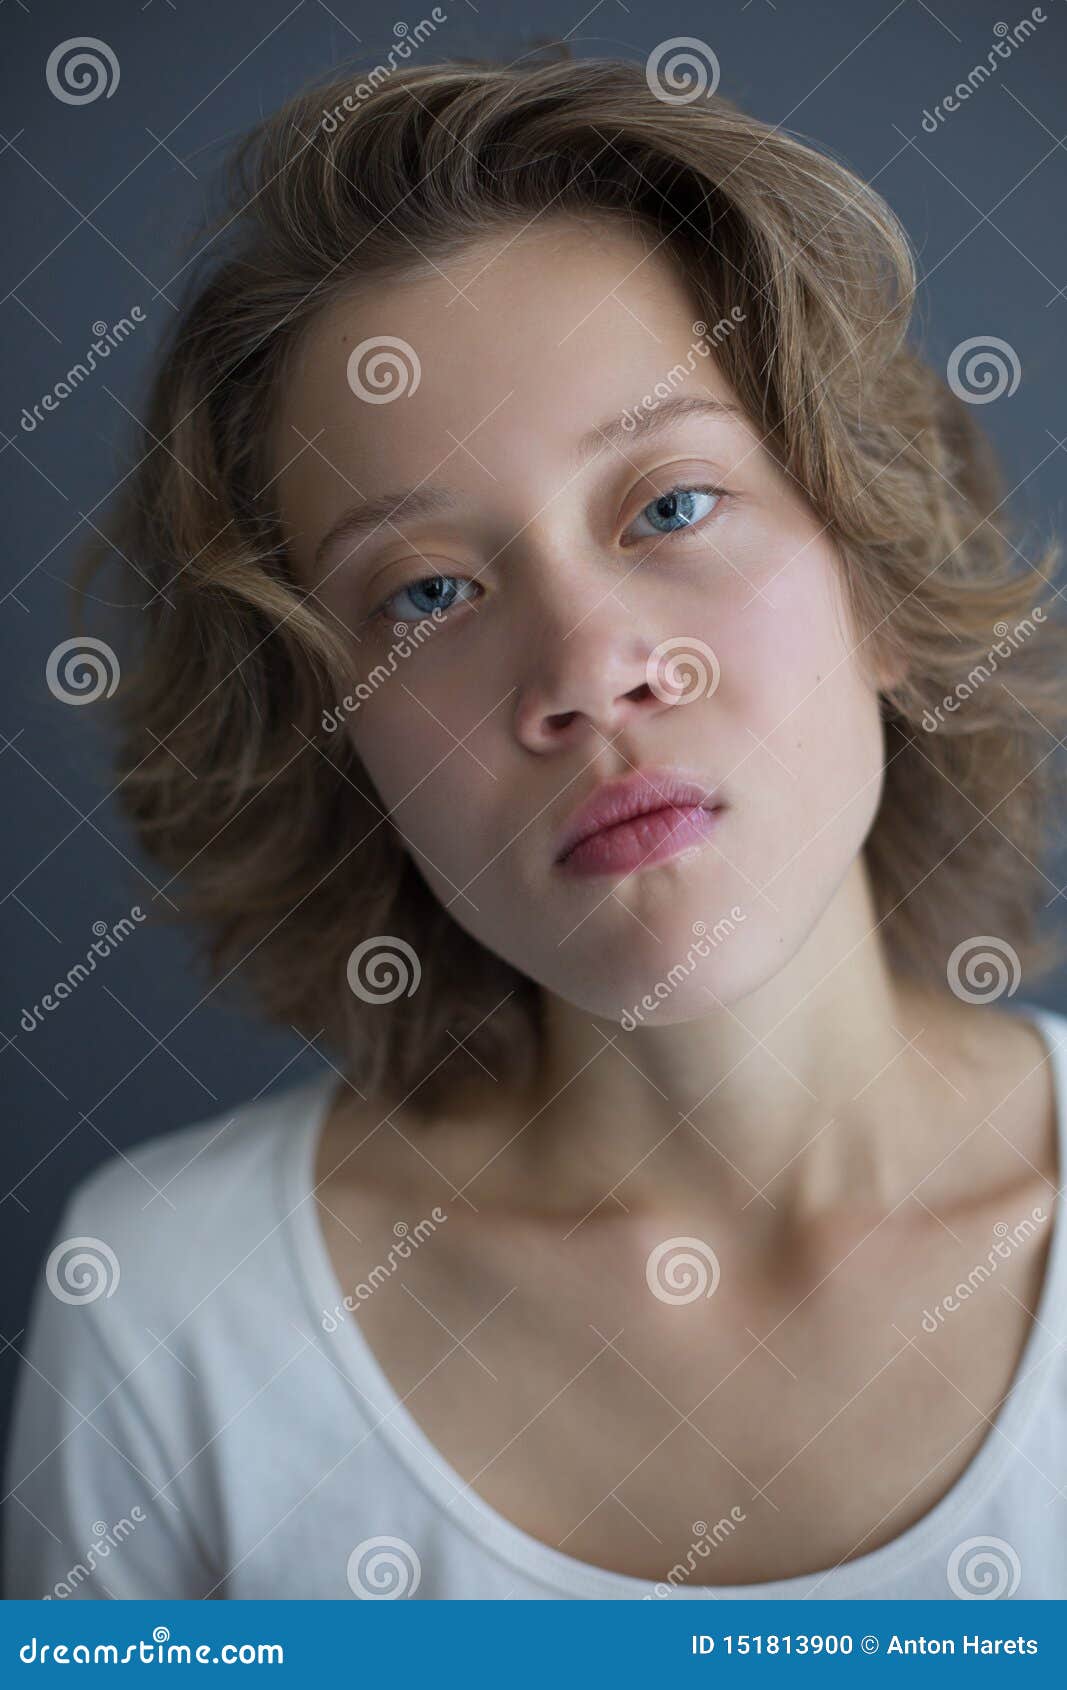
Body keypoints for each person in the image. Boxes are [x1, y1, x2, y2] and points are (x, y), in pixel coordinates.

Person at [5, 50, 1067, 1601]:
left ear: (880, 579)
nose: (583, 674)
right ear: (343, 736)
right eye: (428, 592)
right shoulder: (171, 1309)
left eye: (671, 506)